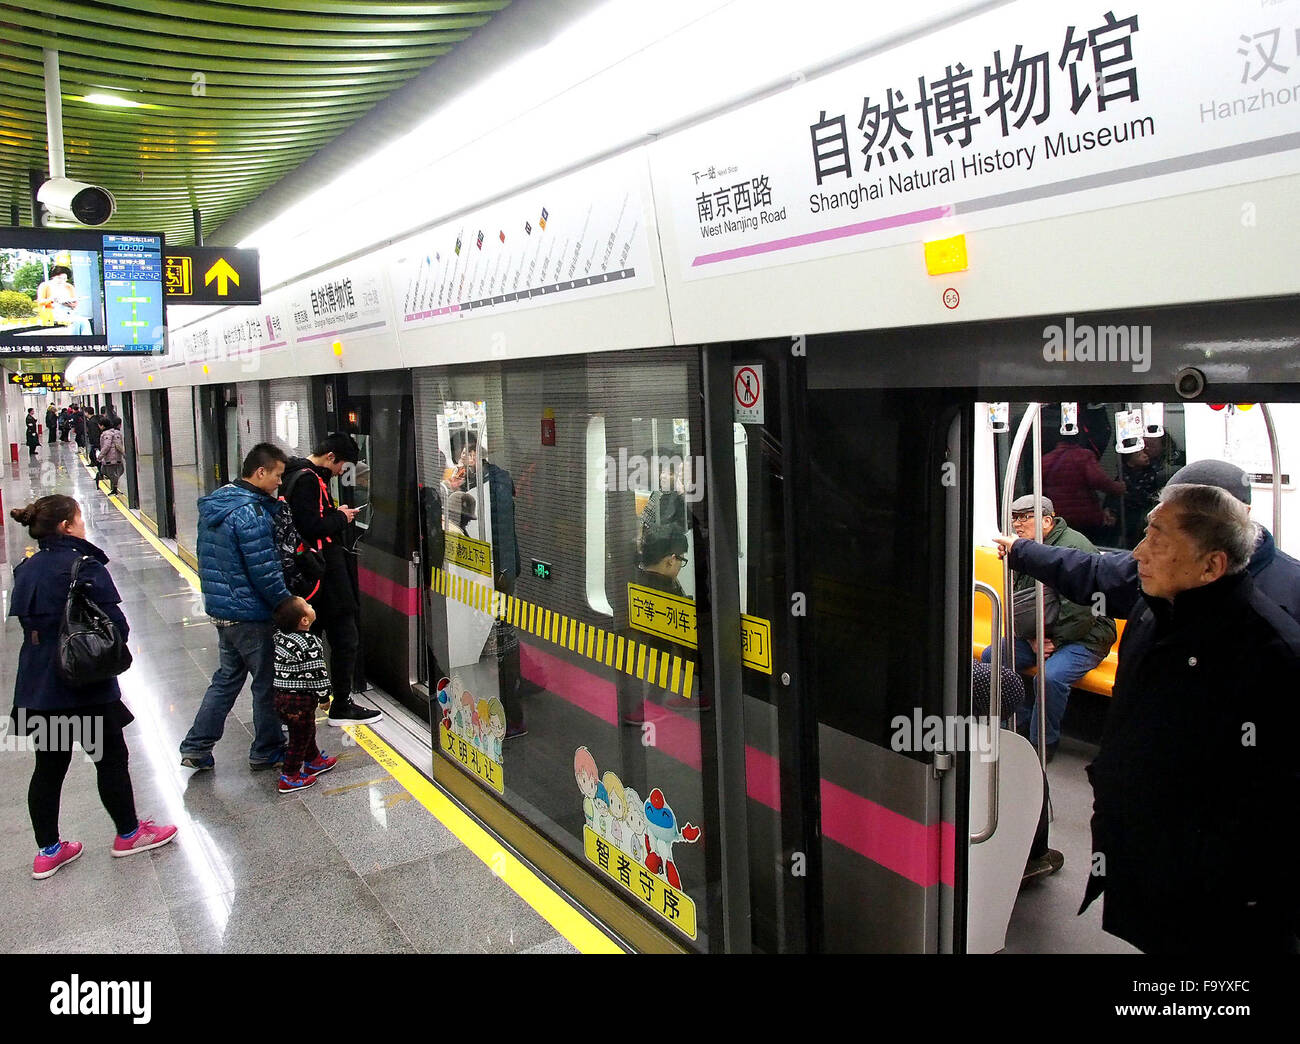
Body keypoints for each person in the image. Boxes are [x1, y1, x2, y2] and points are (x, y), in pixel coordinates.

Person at [1074, 484, 1300, 953]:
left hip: (1217, 901)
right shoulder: (1153, 613)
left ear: (1211, 565)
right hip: (1145, 866)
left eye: (1157, 538)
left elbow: (1275, 806)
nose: (1138, 553)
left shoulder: (1271, 654)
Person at [8, 495, 178, 879]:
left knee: (48, 767)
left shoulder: (25, 568)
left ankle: (48, 851)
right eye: (79, 519)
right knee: (110, 759)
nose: (83, 525)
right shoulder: (83, 566)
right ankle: (128, 834)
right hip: (83, 683)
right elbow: (116, 628)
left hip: (37, 683)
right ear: (67, 526)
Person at [995, 460, 1300, 625]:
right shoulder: (1153, 589)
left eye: (1166, 536)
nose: (1140, 553)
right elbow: (1096, 572)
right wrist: (1021, 550)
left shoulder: (1286, 599)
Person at [179, 443, 298, 770]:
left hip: (223, 610)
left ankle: (196, 745)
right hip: (251, 614)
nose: (279, 483)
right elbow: (265, 570)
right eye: (277, 475)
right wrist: (287, 604)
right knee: (266, 683)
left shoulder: (220, 502)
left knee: (227, 679)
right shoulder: (250, 513)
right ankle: (268, 748)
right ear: (260, 472)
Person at [982, 495, 1117, 761]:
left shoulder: (1074, 549)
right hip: (1045, 634)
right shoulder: (1025, 548)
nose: (1017, 525)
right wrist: (1033, 637)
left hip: (1087, 635)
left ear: (1047, 520)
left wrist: (1052, 640)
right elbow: (1020, 603)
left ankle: (1042, 744)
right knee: (993, 657)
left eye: (1024, 518)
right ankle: (1019, 720)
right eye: (1014, 518)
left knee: (1050, 678)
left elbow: (1082, 610)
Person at [281, 433, 382, 727]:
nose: (341, 472)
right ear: (331, 458)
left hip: (315, 575)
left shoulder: (294, 474)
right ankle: (340, 703)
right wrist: (341, 518)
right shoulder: (309, 480)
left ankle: (313, 700)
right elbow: (311, 526)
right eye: (342, 466)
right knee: (345, 636)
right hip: (325, 575)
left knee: (319, 636)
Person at [271, 596, 338, 794]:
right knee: (299, 738)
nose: (311, 606)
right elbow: (317, 672)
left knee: (304, 730)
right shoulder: (310, 643)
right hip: (300, 700)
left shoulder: (280, 637)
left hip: (281, 697)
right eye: (307, 606)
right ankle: (290, 776)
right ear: (304, 620)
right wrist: (325, 697)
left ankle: (314, 761)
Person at [1039, 433, 1126, 546]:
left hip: (1058, 516)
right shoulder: (1084, 456)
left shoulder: (1045, 460)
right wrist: (1119, 487)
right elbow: (1099, 480)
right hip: (1085, 517)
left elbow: (1035, 485)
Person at [35, 266, 91, 336]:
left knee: (84, 322)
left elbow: (75, 303)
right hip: (53, 313)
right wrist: (52, 299)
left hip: (68, 312)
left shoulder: (69, 286)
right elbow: (40, 302)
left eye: (64, 279)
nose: (61, 280)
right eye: (59, 278)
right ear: (53, 277)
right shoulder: (45, 285)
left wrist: (69, 304)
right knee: (76, 322)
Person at [98, 417, 126, 496]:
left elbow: (107, 446)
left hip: (111, 457)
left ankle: (115, 488)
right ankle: (114, 488)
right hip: (112, 456)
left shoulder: (107, 434)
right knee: (110, 472)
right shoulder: (113, 432)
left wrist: (100, 456)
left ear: (102, 426)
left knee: (110, 472)